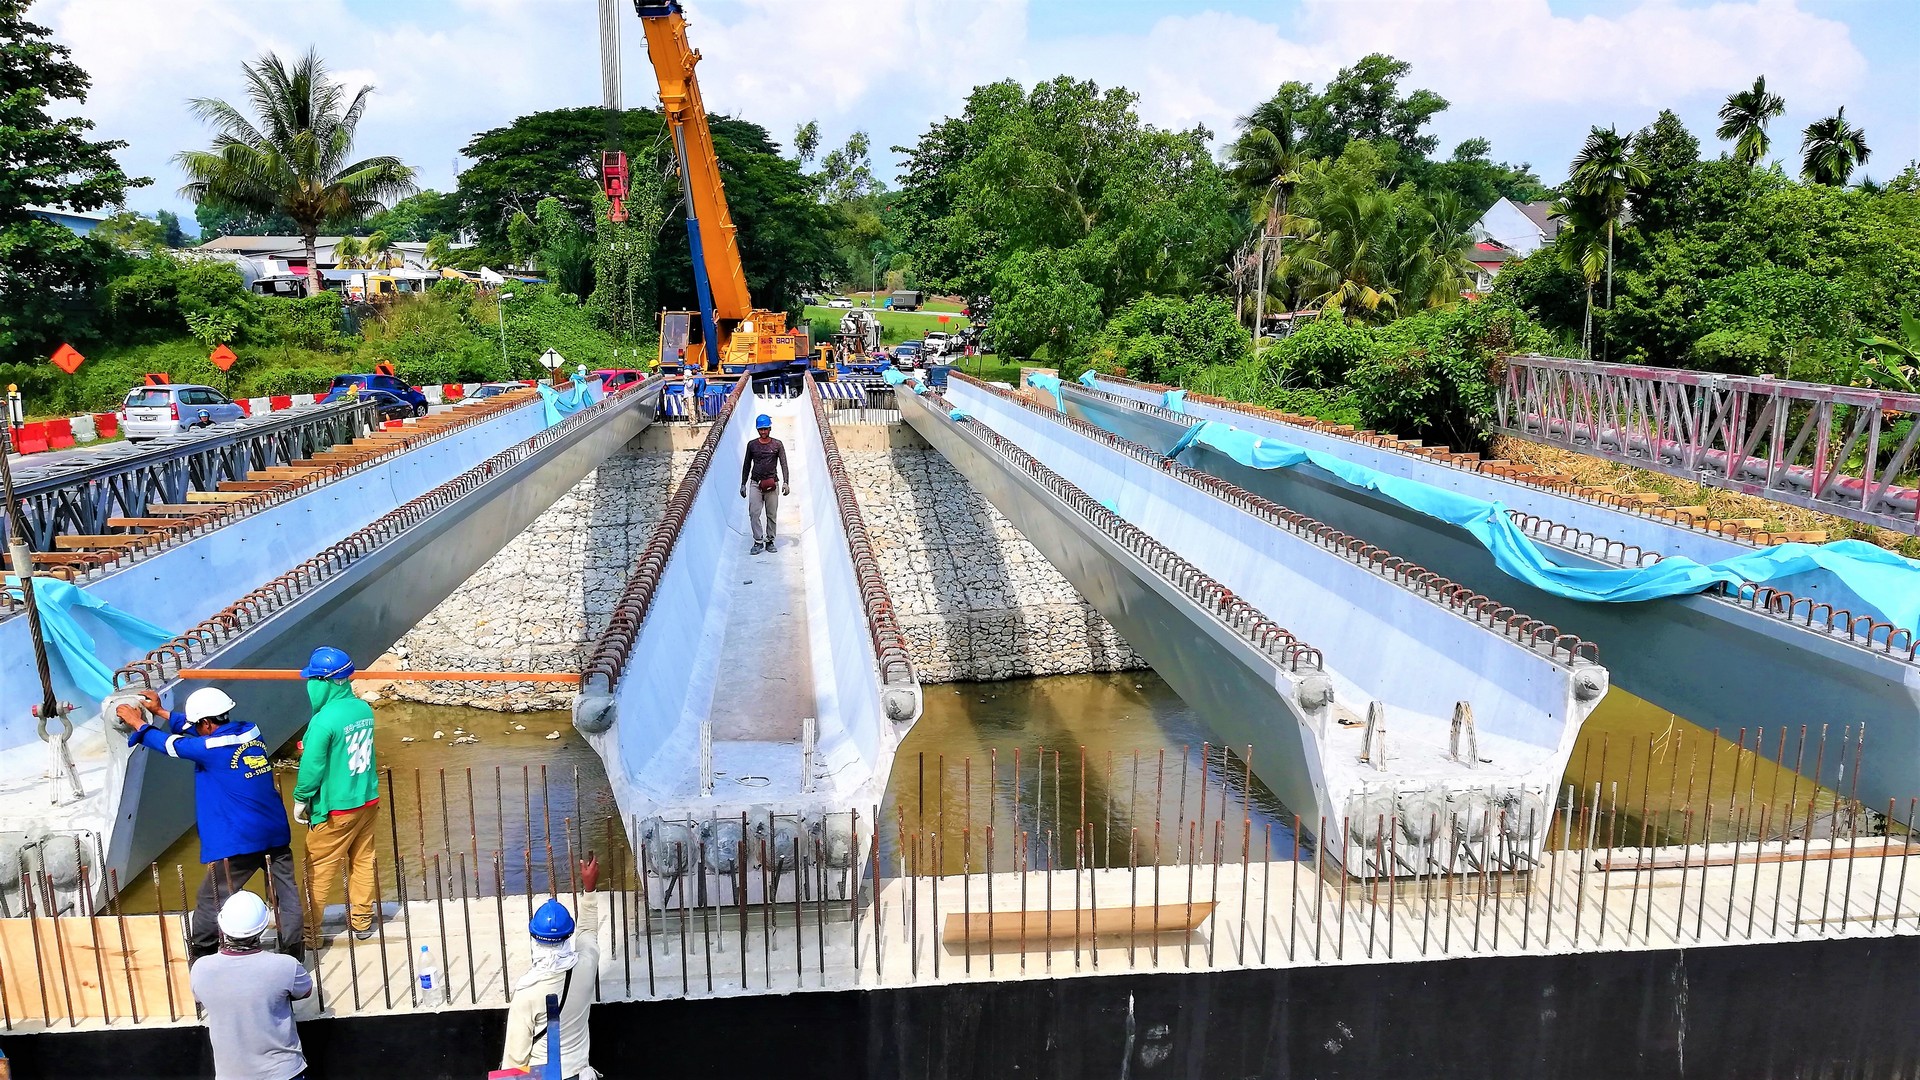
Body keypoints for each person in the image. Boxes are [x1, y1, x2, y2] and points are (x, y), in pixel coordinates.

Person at [118, 687, 302, 960]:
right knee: (284, 895)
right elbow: (200, 734)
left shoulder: (210, 749)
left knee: (210, 898)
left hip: (242, 839)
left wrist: (139, 724)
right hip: (274, 831)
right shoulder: (249, 731)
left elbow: (171, 745)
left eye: (198, 725)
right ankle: (294, 955)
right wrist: (161, 712)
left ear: (206, 723)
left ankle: (202, 955)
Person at [291, 645, 381, 945]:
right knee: (363, 860)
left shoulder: (324, 720)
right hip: (367, 800)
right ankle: (362, 922)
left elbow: (312, 767)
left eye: (314, 679)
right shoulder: (362, 709)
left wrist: (302, 798)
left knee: (319, 869)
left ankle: (310, 933)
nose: (310, 685)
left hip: (337, 809)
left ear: (326, 681)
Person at [191, 891, 313, 1080]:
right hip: (284, 1072)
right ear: (262, 928)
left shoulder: (201, 969)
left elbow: (200, 997)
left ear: (223, 927)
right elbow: (305, 991)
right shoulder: (285, 965)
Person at [501, 857, 601, 1080]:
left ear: (535, 941)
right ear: (567, 938)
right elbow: (588, 932)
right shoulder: (586, 967)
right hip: (580, 1073)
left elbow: (514, 1062)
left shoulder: (527, 993)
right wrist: (590, 889)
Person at [738, 412, 790, 554]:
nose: (763, 432)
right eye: (761, 429)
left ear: (770, 429)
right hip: (756, 483)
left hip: (772, 483)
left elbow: (784, 463)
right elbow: (747, 465)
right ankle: (758, 540)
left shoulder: (777, 445)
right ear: (757, 429)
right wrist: (743, 483)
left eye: (765, 429)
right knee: (754, 513)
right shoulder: (752, 445)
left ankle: (770, 540)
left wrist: (786, 482)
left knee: (771, 514)